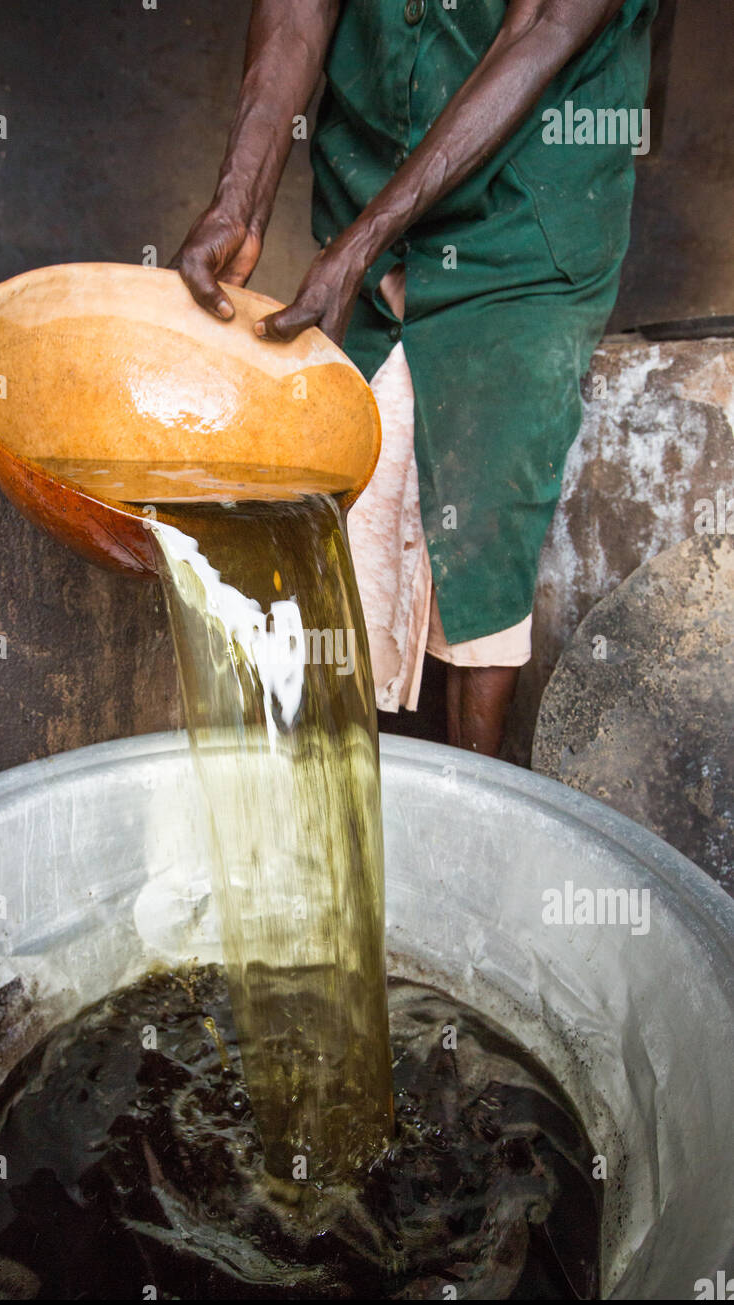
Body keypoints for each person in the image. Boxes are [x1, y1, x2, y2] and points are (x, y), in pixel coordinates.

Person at [171, 0, 657, 756]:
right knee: (332, 500)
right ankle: (334, 794)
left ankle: (471, 813)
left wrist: (362, 247)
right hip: (365, 191)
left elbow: (538, 29)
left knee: (480, 528)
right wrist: (240, 197)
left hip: (523, 228)